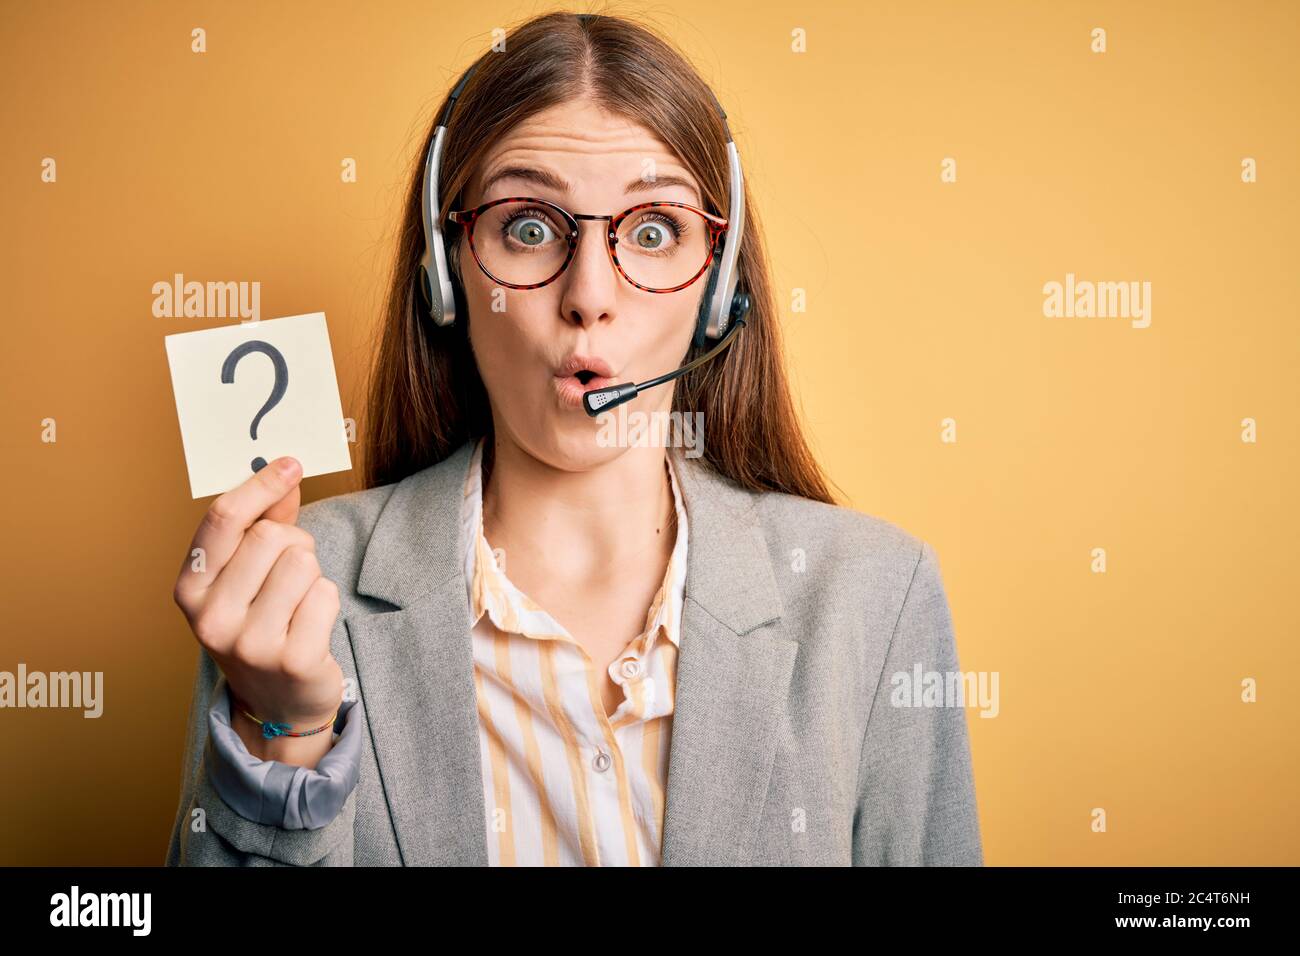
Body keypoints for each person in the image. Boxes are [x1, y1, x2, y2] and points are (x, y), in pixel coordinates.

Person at [166, 10, 981, 866]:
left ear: (717, 289)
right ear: (447, 278)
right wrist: (282, 737)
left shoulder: (877, 598)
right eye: (529, 227)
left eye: (654, 230)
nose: (589, 295)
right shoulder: (293, 592)